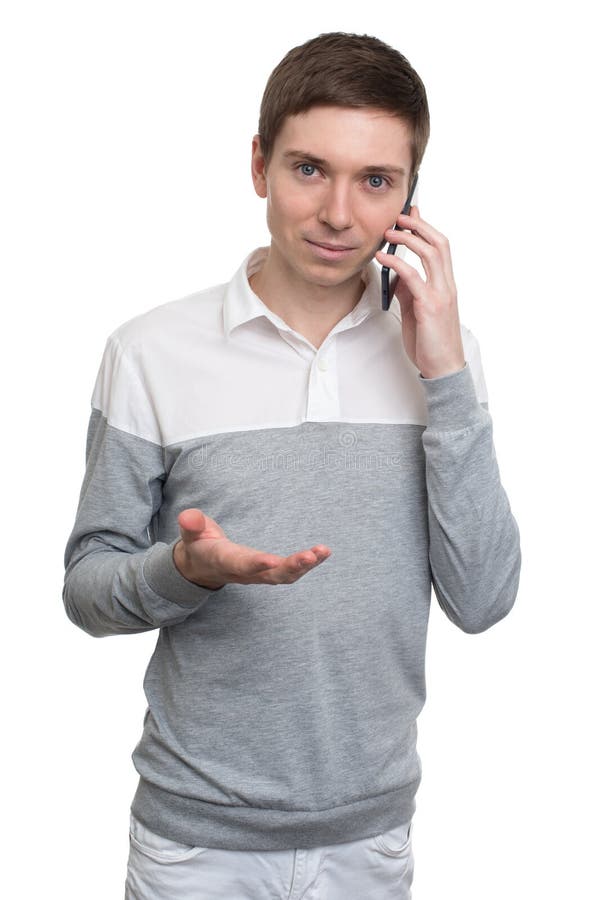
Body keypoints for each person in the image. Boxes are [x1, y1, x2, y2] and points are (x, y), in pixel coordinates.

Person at [63, 31, 521, 899]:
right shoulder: (150, 351)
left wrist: (447, 374)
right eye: (310, 169)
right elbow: (86, 589)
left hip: (372, 839)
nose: (339, 214)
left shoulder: (446, 361)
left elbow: (484, 599)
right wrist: (183, 572)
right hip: (195, 845)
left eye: (375, 181)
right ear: (258, 165)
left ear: (410, 199)